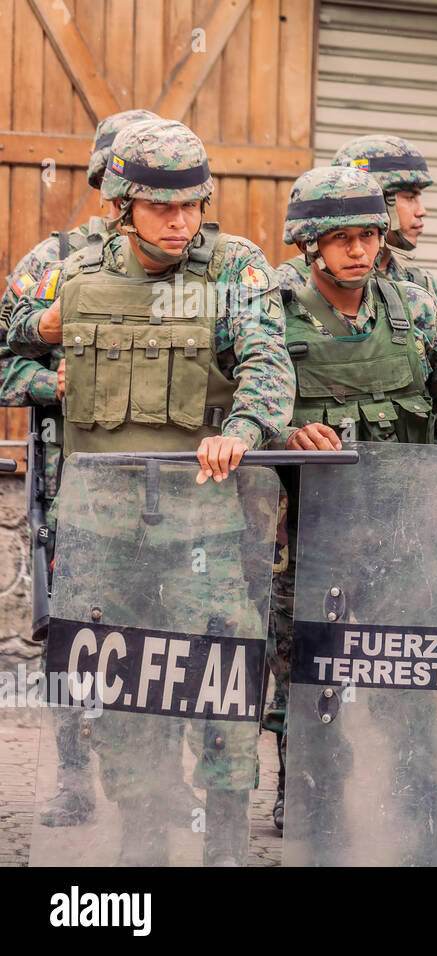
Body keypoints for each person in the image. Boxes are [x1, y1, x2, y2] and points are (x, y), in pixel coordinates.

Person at [7, 118, 295, 865]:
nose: (182, 221)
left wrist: (246, 425)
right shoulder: (72, 269)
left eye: (194, 205)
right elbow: (15, 341)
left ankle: (226, 838)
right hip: (100, 530)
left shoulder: (233, 266)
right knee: (122, 689)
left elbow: (268, 359)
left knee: (224, 675)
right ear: (119, 204)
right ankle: (140, 838)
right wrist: (45, 353)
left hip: (203, 525)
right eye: (164, 207)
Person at [265, 164, 437, 831]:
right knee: (310, 672)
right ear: (310, 242)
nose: (359, 250)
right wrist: (286, 431)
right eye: (343, 238)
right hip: (310, 536)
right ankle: (309, 796)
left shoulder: (417, 305)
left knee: (407, 670)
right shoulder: (273, 304)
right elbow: (238, 398)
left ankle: (418, 800)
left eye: (369, 236)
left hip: (407, 534)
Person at [0, 107, 158, 830]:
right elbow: (7, 363)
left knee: (166, 637)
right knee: (74, 638)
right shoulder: (55, 262)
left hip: (176, 486)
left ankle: (155, 786)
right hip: (80, 486)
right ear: (108, 183)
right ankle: (70, 778)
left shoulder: (198, 265)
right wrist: (50, 383)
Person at [330, 135, 437, 334]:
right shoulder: (297, 281)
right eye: (409, 197)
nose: (421, 210)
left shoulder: (421, 282)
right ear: (374, 202)